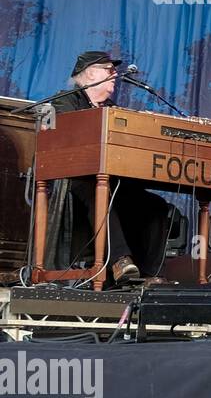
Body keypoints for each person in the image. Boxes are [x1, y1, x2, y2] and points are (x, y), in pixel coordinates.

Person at [50, 51, 171, 285]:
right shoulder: (65, 101)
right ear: (90, 73)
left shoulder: (113, 108)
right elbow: (68, 140)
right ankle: (119, 260)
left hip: (110, 177)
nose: (114, 74)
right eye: (109, 69)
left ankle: (148, 273)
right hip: (76, 178)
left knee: (156, 205)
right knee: (98, 191)